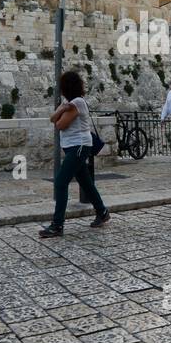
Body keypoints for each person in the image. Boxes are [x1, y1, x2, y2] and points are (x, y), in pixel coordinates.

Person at [39, 70, 110, 238]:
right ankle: (102, 212)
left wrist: (60, 112)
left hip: (79, 146)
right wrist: (61, 110)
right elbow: (52, 119)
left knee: (61, 182)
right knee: (85, 182)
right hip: (73, 146)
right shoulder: (68, 103)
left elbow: (60, 125)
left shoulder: (77, 102)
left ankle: (57, 225)